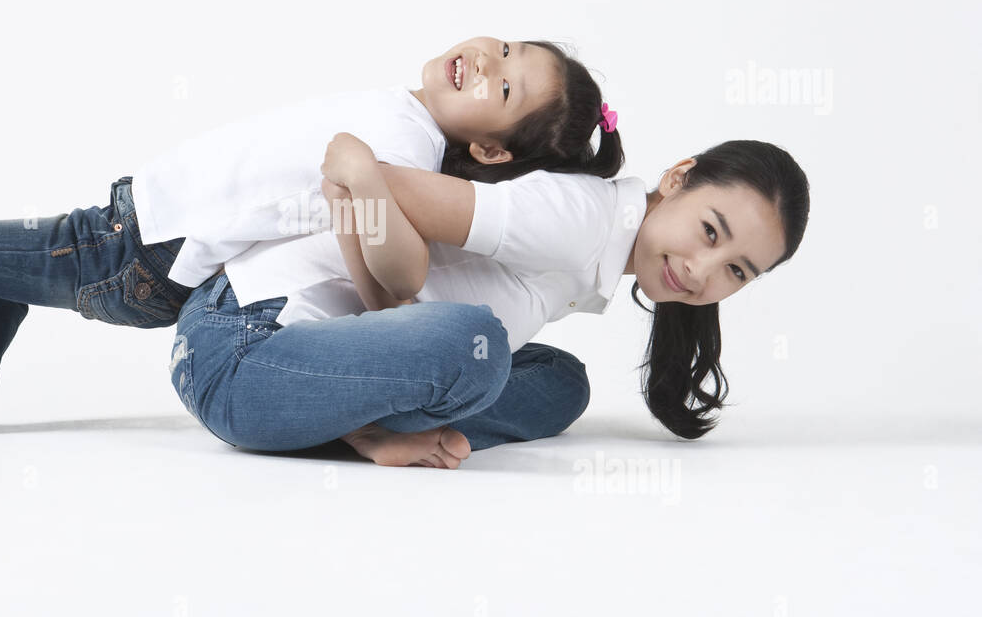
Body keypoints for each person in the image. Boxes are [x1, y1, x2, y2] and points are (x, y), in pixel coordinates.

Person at [0, 37, 622, 440]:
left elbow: (396, 277)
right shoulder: (402, 122)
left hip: (138, 250)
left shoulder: (402, 155)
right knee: (2, 273)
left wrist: (368, 184)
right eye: (504, 48)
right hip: (141, 233)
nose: (481, 62)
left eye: (502, 85)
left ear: (488, 151)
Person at [165, 136, 810, 467]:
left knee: (560, 384)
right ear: (678, 178)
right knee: (473, 349)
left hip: (289, 360)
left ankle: (383, 422)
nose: (701, 273)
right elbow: (371, 185)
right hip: (242, 354)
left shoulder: (602, 250)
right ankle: (366, 433)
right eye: (708, 232)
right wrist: (392, 311)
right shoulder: (576, 219)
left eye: (737, 271)